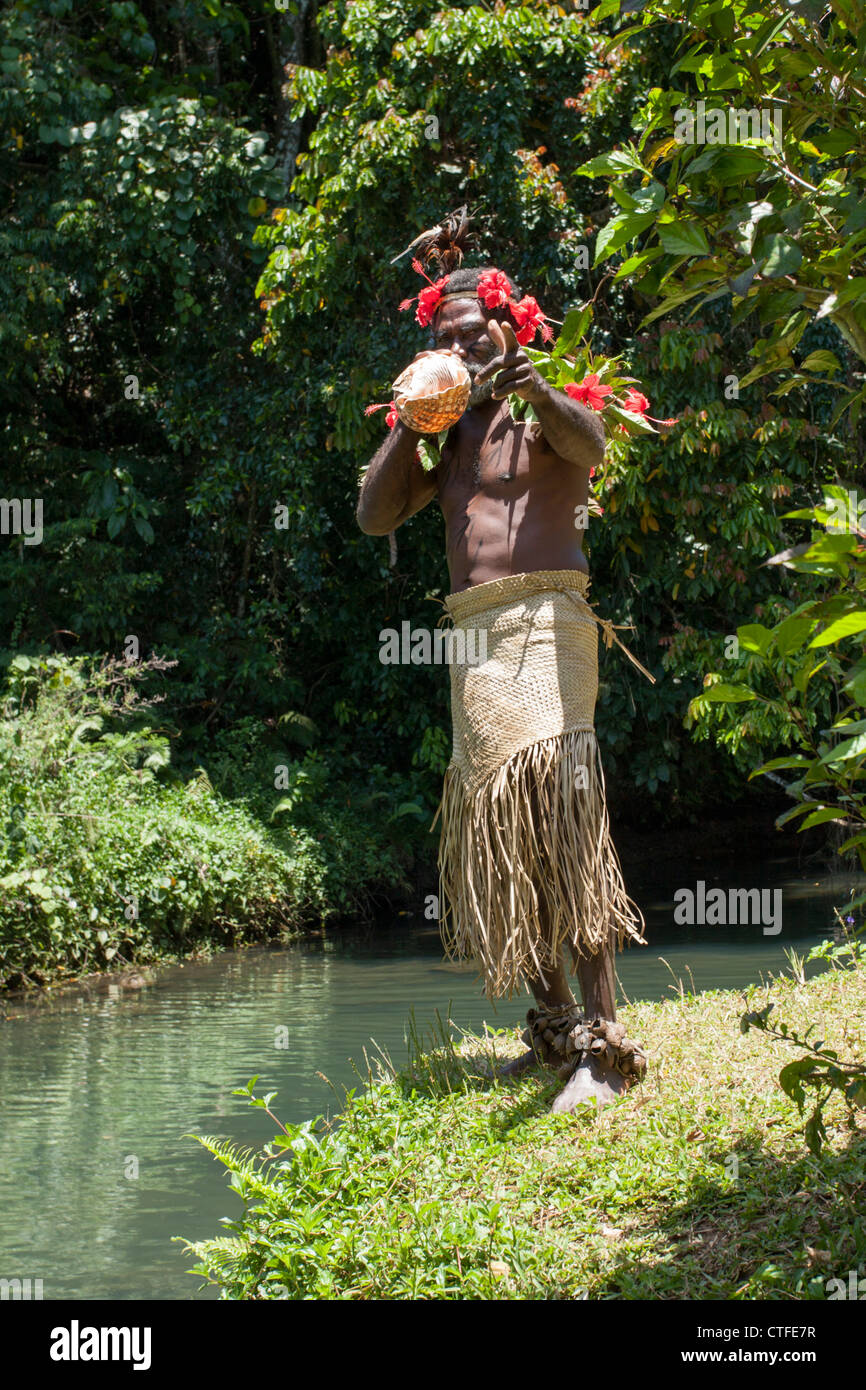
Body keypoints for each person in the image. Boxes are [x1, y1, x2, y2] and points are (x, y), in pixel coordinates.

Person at [356, 257, 648, 1111]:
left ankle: (603, 1045)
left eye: (471, 334)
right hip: (474, 638)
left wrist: (538, 388)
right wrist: (409, 418)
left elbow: (589, 448)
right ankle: (557, 1031)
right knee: (505, 840)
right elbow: (375, 515)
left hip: (551, 622)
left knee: (562, 821)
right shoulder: (438, 444)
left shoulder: (549, 416)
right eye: (442, 338)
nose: (458, 346)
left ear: (509, 331)